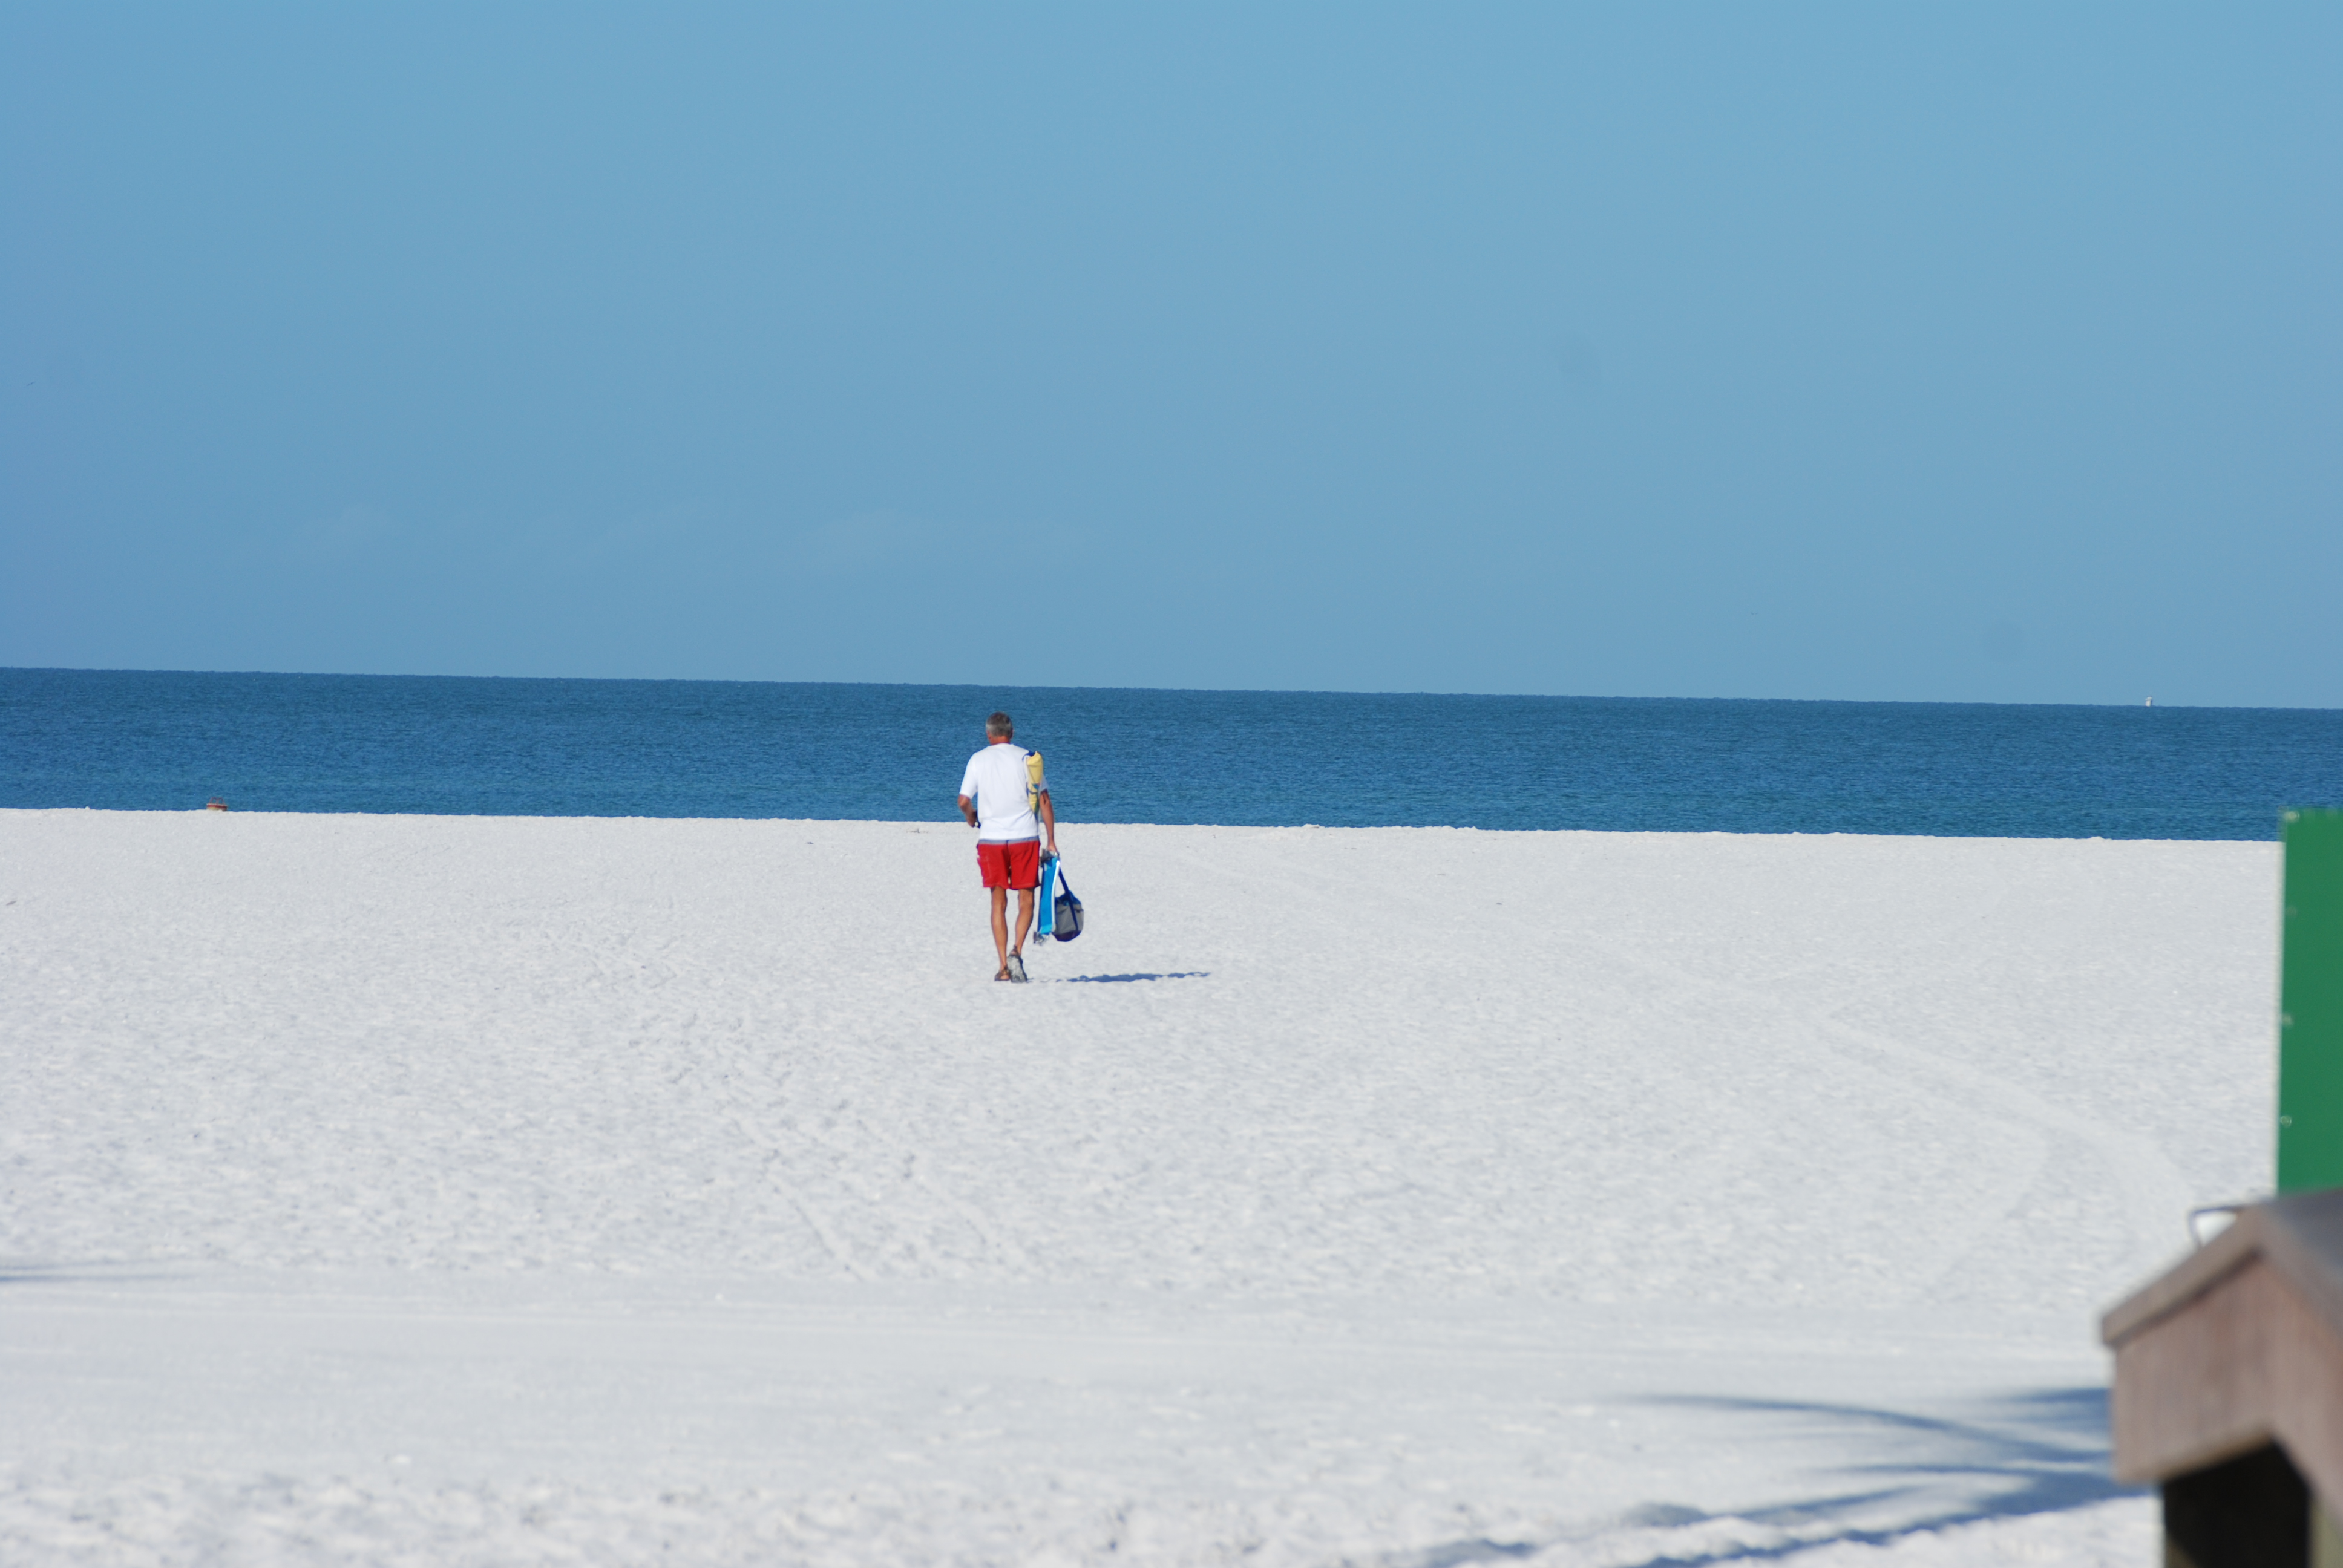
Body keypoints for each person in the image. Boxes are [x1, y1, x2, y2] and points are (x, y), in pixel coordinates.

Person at [957, 711, 1057, 982]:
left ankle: (1003, 967)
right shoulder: (1028, 759)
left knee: (998, 902)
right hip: (1025, 837)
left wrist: (971, 817)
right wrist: (1051, 840)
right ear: (1012, 733)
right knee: (1026, 900)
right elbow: (1045, 801)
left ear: (989, 734)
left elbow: (963, 800)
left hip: (991, 840)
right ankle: (1017, 951)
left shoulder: (978, 759)